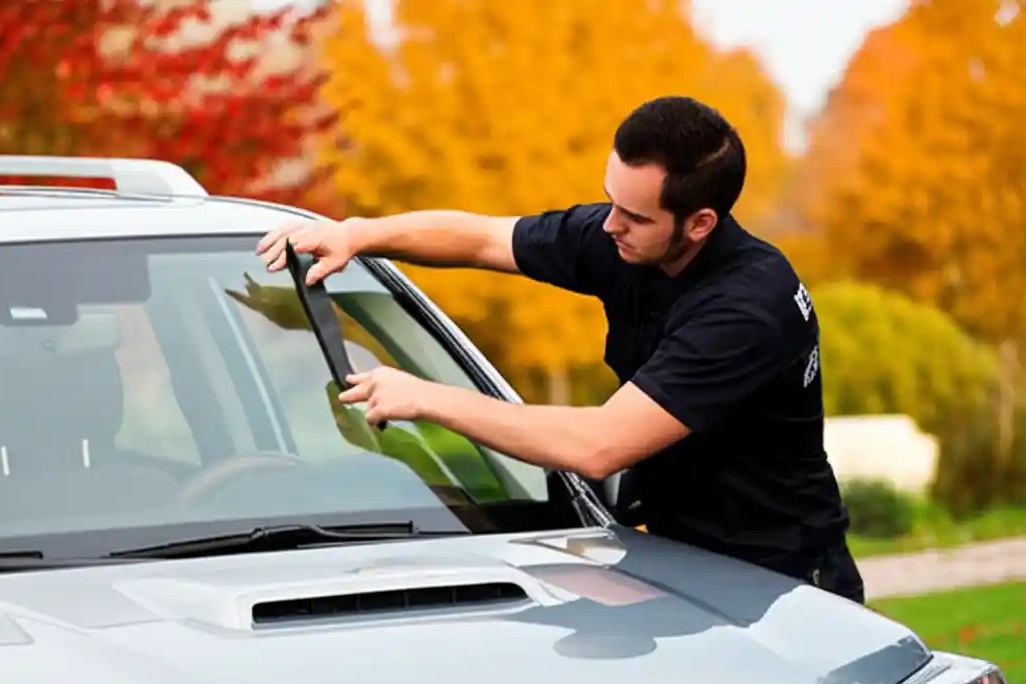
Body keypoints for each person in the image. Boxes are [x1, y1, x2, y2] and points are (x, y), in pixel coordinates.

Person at [256, 95, 864, 604]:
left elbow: (598, 446)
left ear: (699, 224)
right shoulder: (628, 238)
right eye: (610, 199)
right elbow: (484, 238)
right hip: (683, 563)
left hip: (783, 586)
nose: (609, 225)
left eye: (632, 214)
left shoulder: (745, 310)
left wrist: (426, 398)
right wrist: (359, 234)